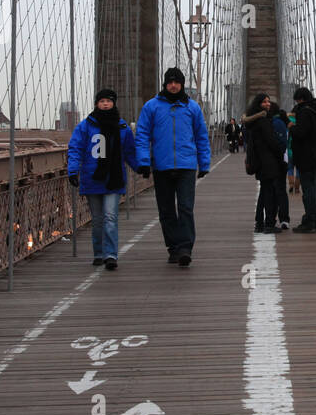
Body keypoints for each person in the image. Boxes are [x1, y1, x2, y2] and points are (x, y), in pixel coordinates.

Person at [135, 66, 212, 267]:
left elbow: (201, 136)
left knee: (186, 207)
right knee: (166, 210)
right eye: (170, 82)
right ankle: (173, 248)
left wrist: (204, 163)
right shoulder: (151, 107)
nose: (173, 85)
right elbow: (142, 135)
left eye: (177, 82)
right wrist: (143, 161)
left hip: (186, 165)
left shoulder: (193, 108)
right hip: (162, 166)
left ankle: (185, 248)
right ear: (165, 84)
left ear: (182, 84)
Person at [66, 88, 140, 271]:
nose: (105, 104)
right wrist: (73, 170)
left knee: (110, 217)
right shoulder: (85, 126)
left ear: (114, 103)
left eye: (108, 101)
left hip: (113, 180)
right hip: (92, 179)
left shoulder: (122, 128)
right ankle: (98, 253)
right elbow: (75, 148)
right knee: (98, 219)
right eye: (102, 101)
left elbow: (130, 152)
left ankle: (111, 255)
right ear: (96, 104)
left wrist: (142, 167)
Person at [289, 86, 316, 233]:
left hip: (307, 157)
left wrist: (291, 127)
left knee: (309, 190)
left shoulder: (304, 112)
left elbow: (301, 133)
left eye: (297, 100)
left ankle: (310, 222)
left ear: (300, 99)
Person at [241, 93, 285, 234]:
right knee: (270, 193)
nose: (268, 104)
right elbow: (271, 142)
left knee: (264, 192)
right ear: (258, 104)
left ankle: (259, 223)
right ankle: (269, 224)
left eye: (268, 101)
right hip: (268, 162)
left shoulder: (253, 122)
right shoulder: (264, 122)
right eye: (264, 102)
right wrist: (280, 153)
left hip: (259, 162)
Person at [271, 107, 292, 230]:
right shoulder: (286, 125)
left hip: (277, 161)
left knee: (273, 190)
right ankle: (284, 219)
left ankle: (272, 218)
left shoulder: (276, 124)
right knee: (281, 190)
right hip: (285, 159)